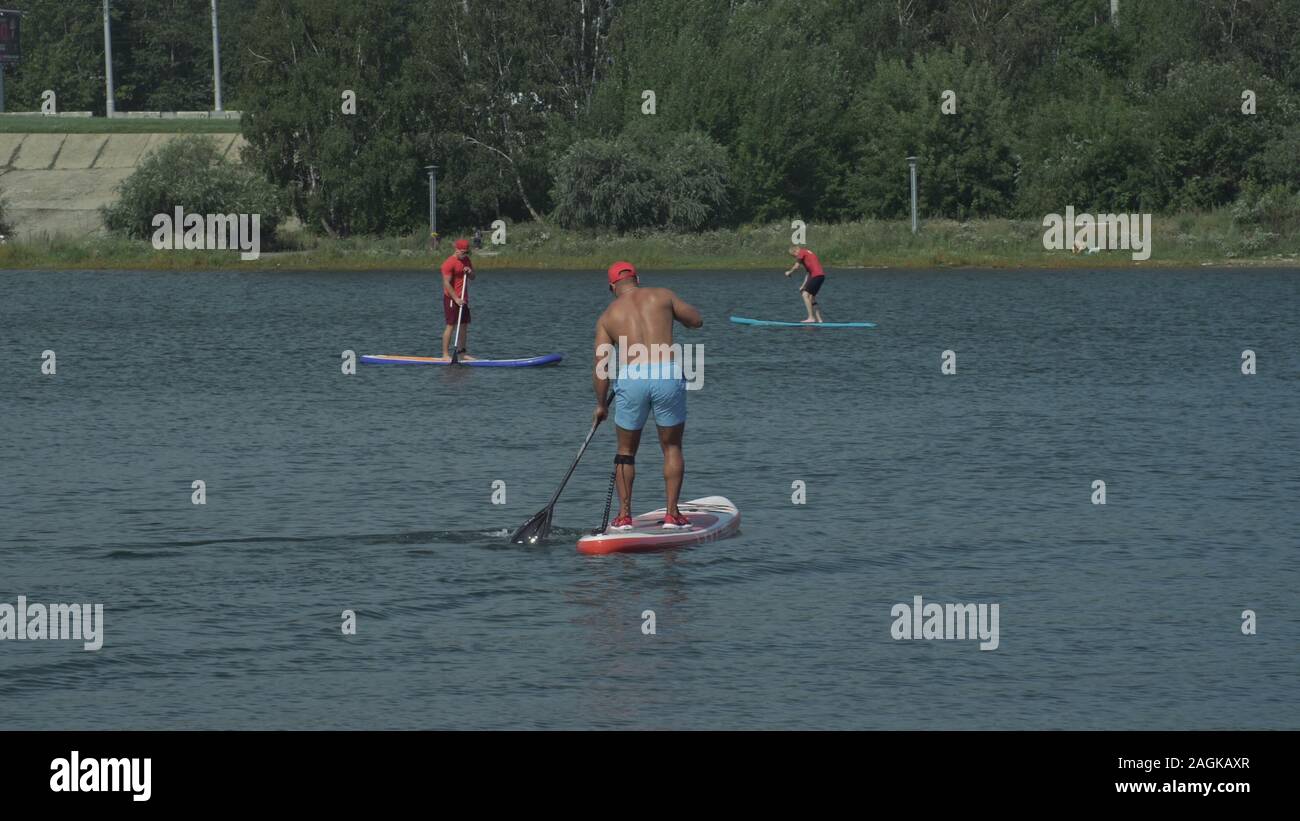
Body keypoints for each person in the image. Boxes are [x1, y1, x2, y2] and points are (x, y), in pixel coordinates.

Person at [592, 261, 703, 529]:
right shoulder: (663, 295)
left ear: (612, 287)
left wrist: (600, 405)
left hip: (631, 378)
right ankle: (672, 515)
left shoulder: (607, 316)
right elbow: (696, 321)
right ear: (637, 279)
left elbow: (602, 366)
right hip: (666, 374)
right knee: (672, 447)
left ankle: (624, 516)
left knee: (625, 451)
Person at [440, 238, 476, 360]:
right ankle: (445, 354)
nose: (465, 254)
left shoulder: (466, 260)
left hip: (463, 298)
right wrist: (456, 299)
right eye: (462, 252)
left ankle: (462, 353)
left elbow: (473, 277)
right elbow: (446, 283)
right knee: (451, 325)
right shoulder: (449, 263)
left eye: (466, 252)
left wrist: (470, 271)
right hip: (451, 298)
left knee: (464, 324)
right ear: (456, 250)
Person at [783, 245, 826, 323]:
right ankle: (820, 320)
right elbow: (809, 273)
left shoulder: (802, 252)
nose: (795, 258)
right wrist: (803, 286)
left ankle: (811, 318)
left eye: (794, 256)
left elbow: (796, 266)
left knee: (805, 295)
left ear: (795, 251)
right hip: (820, 276)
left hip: (816, 276)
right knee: (811, 298)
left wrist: (789, 272)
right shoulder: (807, 253)